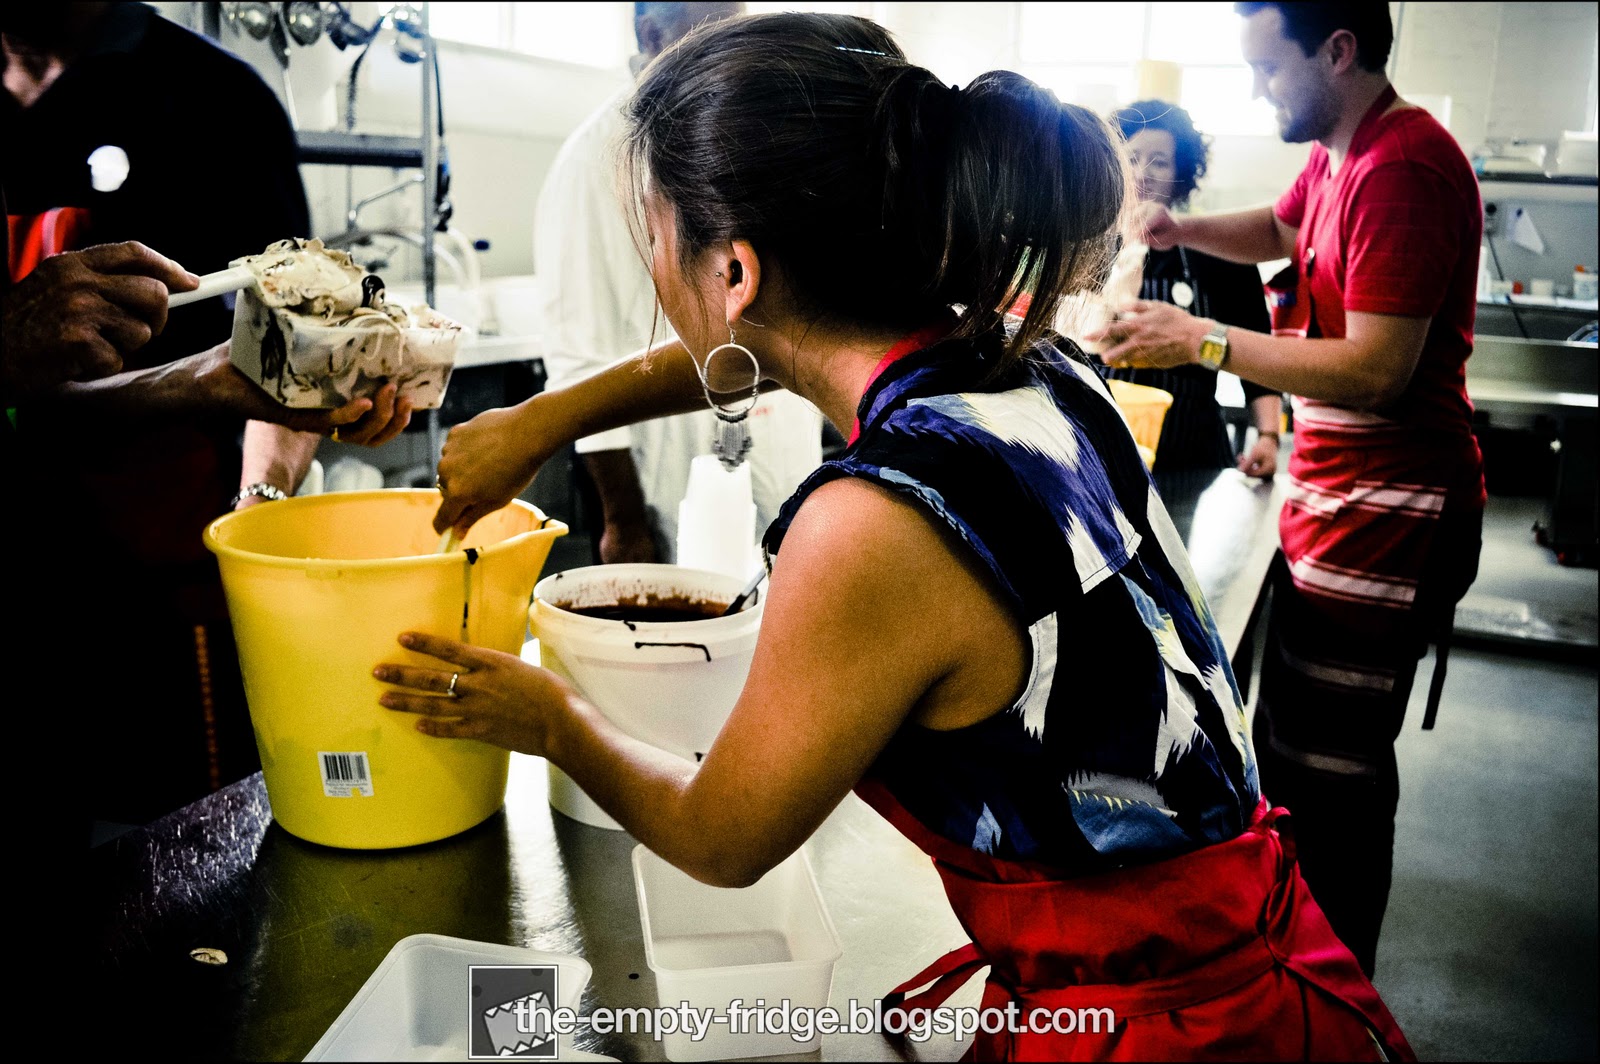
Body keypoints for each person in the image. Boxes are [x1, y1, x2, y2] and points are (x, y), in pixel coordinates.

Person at [380, 13, 1413, 1059]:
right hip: (1255, 950)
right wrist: (547, 416)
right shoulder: (1036, 364)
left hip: (1159, 1028)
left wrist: (548, 712)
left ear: (734, 272)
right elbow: (762, 345)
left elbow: (723, 834)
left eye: (652, 233)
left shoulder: (874, 525)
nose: (651, 267)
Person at [1095, 1, 1485, 977]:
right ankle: (1297, 963)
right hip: (1339, 496)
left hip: (1391, 510)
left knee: (1339, 773)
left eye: (1269, 69)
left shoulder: (1402, 168)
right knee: (1297, 752)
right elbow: (1278, 224)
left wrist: (1203, 341)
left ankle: (1336, 983)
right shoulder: (1342, 153)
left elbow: (1376, 369)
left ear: (1338, 50)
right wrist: (1175, 226)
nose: (1259, 89)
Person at [1, 1, 331, 825]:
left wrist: (259, 511)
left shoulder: (215, 101)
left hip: (167, 612)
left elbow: (300, 358)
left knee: (187, 884)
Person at [534, 0, 821, 564]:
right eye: (715, 30)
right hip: (675, 484)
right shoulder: (598, 159)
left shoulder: (747, 128)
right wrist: (624, 520)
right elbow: (580, 356)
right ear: (650, 32)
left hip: (790, 472)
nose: (735, 48)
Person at [1108, 99, 1281, 476]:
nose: (1142, 173)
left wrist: (1268, 435)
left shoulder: (1216, 252)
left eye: (1160, 162)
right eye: (1132, 157)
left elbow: (1257, 344)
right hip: (1100, 445)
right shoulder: (1088, 247)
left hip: (1189, 451)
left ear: (1181, 174)